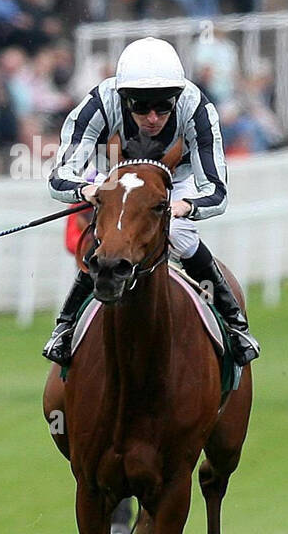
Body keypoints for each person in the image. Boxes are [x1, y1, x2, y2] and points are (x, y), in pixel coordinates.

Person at [41, 37, 259, 366]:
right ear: (123, 98)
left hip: (175, 180)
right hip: (115, 177)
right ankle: (65, 325)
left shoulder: (196, 108)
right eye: (141, 107)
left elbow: (216, 190)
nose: (153, 117)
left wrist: (183, 208)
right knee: (109, 239)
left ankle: (234, 322)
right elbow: (59, 176)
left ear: (178, 97)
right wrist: (90, 192)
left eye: (163, 106)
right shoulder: (99, 103)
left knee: (181, 236)